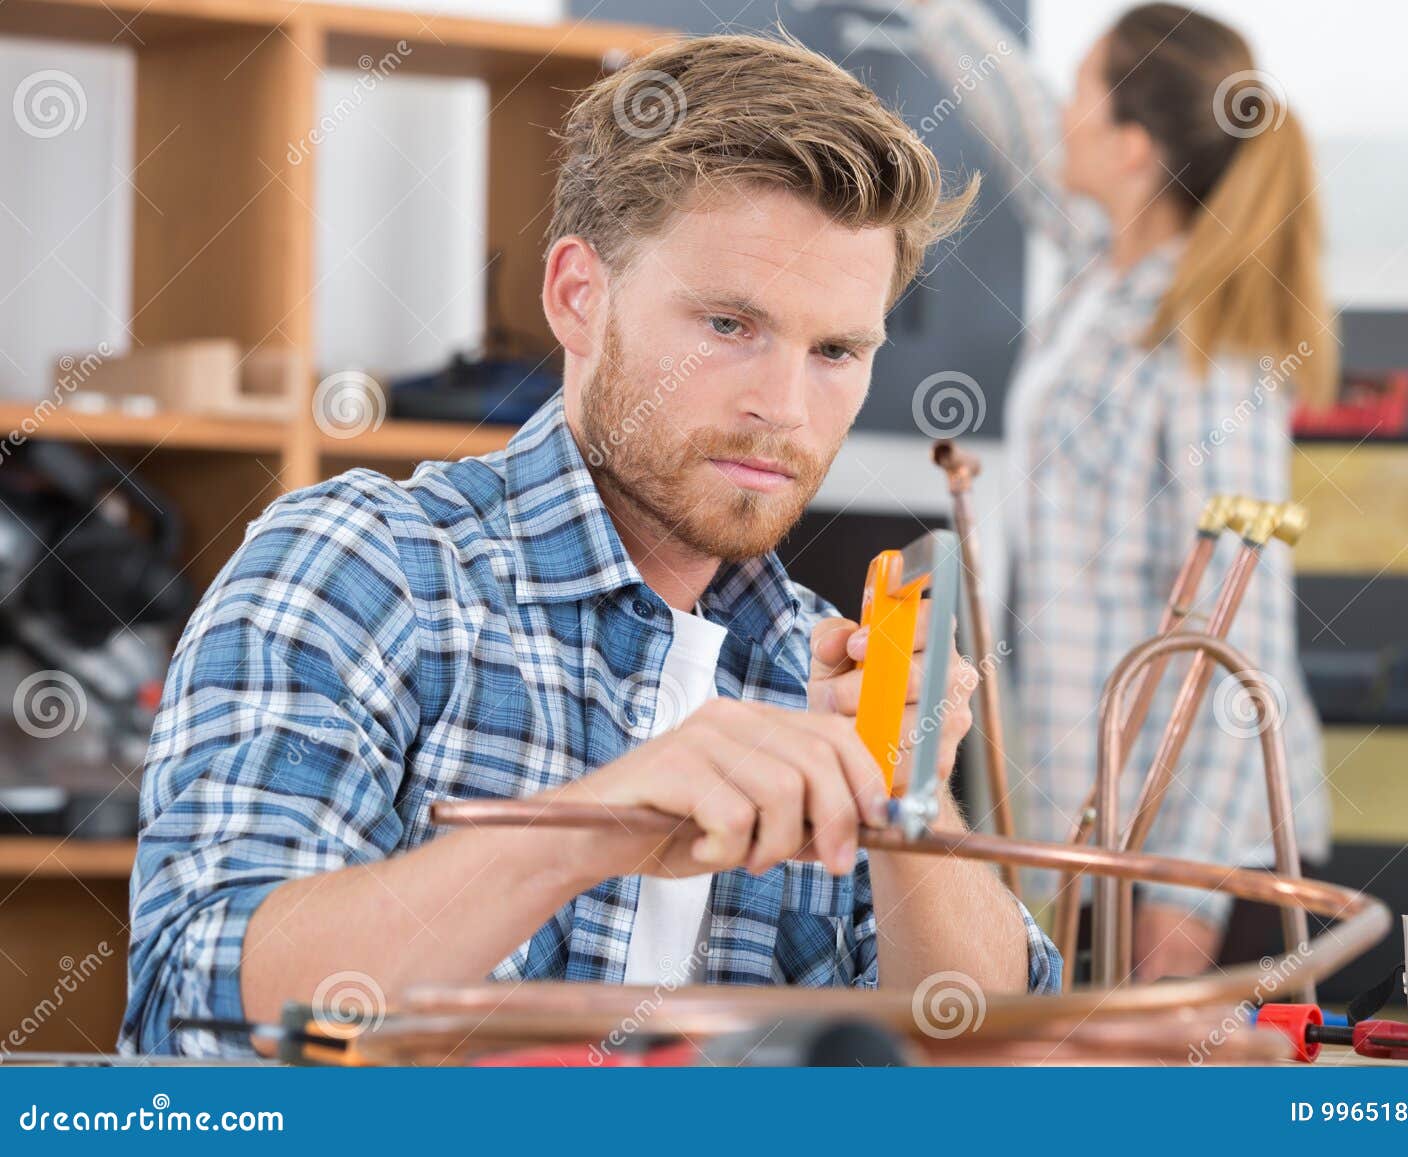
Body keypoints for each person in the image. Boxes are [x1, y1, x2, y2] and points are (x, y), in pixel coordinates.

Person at [119, 31, 1060, 1057]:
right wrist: (587, 826)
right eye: (728, 325)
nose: (784, 407)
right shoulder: (361, 567)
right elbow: (195, 1012)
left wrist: (908, 799)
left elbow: (997, 1060)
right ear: (577, 295)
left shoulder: (827, 663)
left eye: (835, 349)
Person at [901, 1, 1334, 978]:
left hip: (1184, 853)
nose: (1062, 115)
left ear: (1134, 147)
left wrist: (1182, 904)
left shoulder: (1198, 342)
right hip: (1091, 819)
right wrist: (938, 16)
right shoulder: (1108, 268)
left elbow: (1238, 638)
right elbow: (1018, 121)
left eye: (1084, 93)